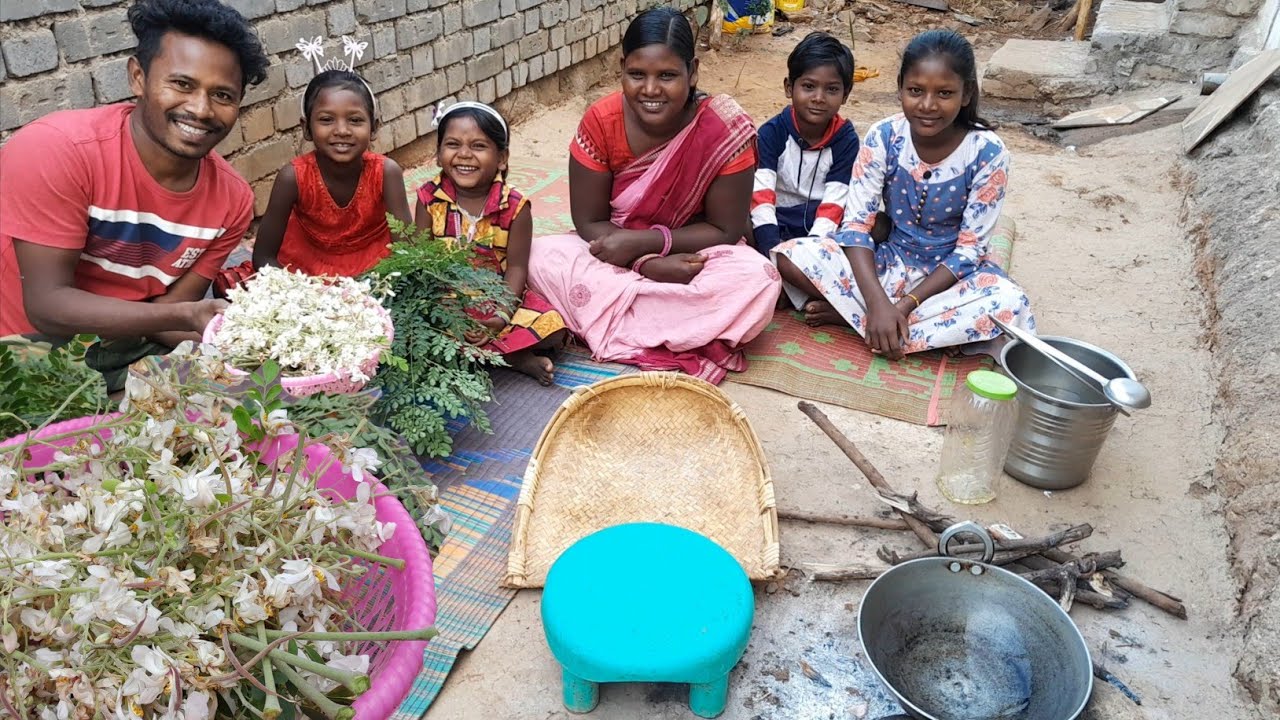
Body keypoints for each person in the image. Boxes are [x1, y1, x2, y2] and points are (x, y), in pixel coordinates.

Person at [0, 0, 268, 393]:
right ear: (138, 77)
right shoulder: (56, 150)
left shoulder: (233, 201)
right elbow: (47, 305)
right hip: (29, 356)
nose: (201, 109)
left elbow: (169, 316)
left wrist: (260, 348)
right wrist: (191, 316)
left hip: (133, 348)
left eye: (223, 95)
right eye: (182, 84)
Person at [526, 7, 781, 384]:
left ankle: (613, 326)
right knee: (536, 256)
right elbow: (589, 221)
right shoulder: (602, 121)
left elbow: (725, 230)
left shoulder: (723, 128)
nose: (650, 90)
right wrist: (644, 263)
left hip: (697, 254)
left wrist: (651, 244)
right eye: (637, 75)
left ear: (693, 72)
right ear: (621, 69)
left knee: (758, 278)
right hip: (614, 252)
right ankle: (684, 334)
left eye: (667, 76)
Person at [773, 29, 1036, 360]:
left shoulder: (987, 152)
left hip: (948, 280)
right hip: (888, 264)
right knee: (790, 255)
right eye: (915, 91)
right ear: (900, 88)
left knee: (1009, 304)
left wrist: (904, 305)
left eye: (944, 93)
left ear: (966, 94)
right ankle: (893, 326)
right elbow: (856, 226)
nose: (927, 105)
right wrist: (878, 302)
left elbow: (970, 251)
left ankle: (862, 320)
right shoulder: (885, 136)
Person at [414, 102, 568, 385]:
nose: (464, 154)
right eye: (452, 144)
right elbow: (423, 263)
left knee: (552, 328)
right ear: (438, 155)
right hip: (446, 301)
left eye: (478, 146)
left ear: (502, 158)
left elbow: (517, 269)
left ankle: (489, 353)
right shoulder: (429, 199)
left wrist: (501, 316)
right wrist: (446, 311)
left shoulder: (515, 206)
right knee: (416, 327)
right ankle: (513, 358)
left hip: (497, 298)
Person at [247, 70, 413, 277]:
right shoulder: (293, 178)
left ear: (374, 128)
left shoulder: (386, 173)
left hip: (377, 270)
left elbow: (408, 252)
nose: (342, 130)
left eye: (355, 120)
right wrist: (303, 291)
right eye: (326, 120)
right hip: (307, 272)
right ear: (306, 128)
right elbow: (263, 257)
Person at [751, 31, 860, 257]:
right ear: (789, 87)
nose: (819, 98)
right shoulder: (772, 133)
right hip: (777, 216)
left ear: (846, 94)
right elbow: (761, 195)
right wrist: (771, 247)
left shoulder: (845, 140)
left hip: (821, 221)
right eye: (809, 86)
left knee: (874, 224)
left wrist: (813, 252)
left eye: (832, 89)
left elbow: (835, 201)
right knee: (741, 218)